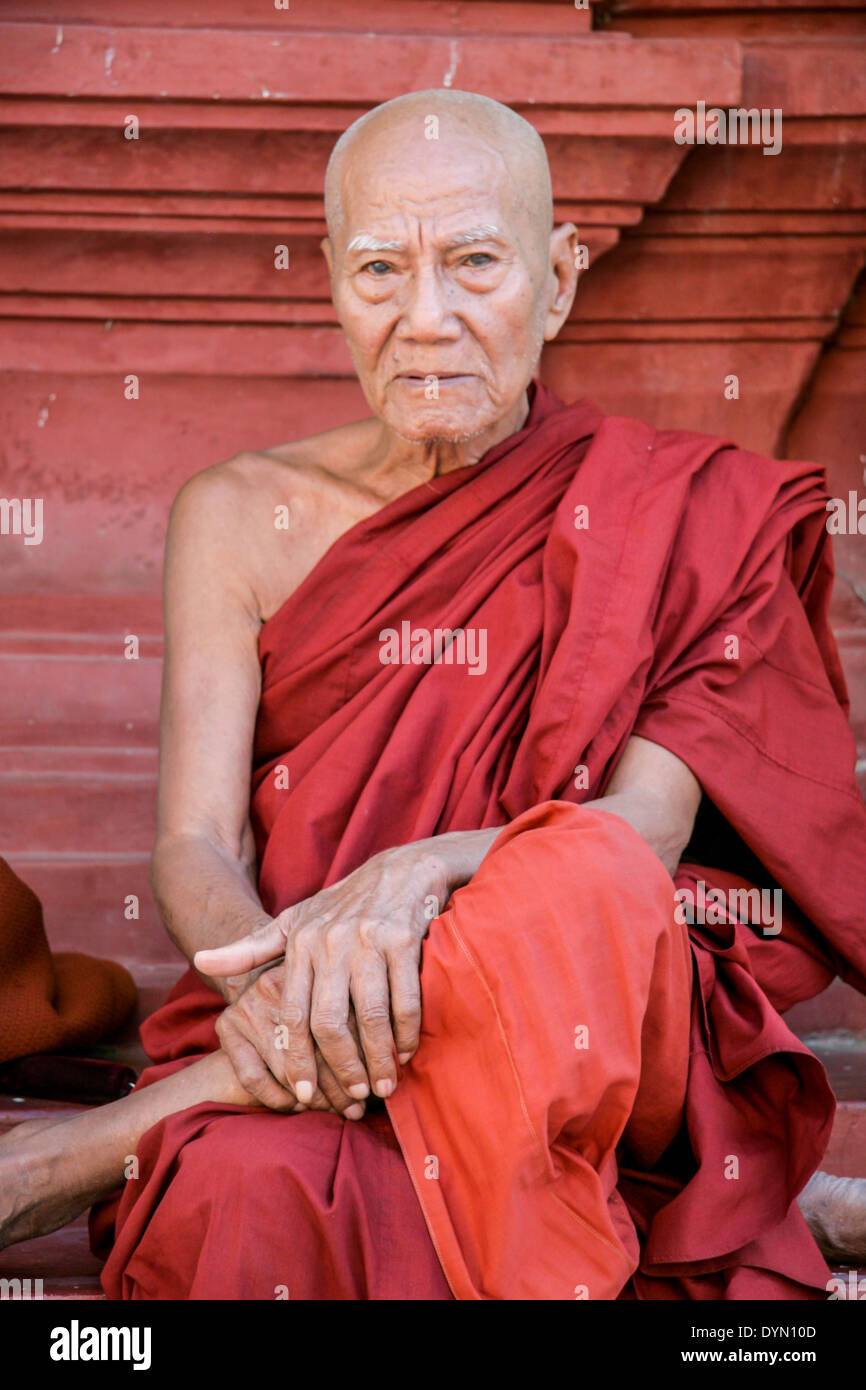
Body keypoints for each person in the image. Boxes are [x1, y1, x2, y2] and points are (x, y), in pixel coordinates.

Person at [1, 89, 864, 1300]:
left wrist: (420, 876)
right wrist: (276, 985)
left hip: (568, 993)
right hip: (305, 995)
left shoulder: (677, 511)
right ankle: (761, 1197)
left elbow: (639, 832)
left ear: (558, 279)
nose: (425, 320)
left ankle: (76, 1154)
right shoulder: (238, 513)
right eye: (377, 270)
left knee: (576, 877)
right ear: (330, 287)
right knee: (244, 1193)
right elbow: (193, 840)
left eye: (472, 262)